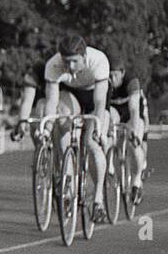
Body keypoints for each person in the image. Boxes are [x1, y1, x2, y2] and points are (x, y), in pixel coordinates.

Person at [31, 35, 113, 221]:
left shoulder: (98, 60)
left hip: (95, 95)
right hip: (72, 94)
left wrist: (98, 129)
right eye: (67, 62)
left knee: (92, 143)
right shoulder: (53, 64)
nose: (71, 67)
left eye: (75, 62)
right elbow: (52, 102)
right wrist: (46, 128)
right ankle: (67, 175)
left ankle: (98, 199)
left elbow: (100, 102)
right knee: (61, 116)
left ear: (84, 56)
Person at [106, 52, 149, 207]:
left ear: (122, 73)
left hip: (133, 110)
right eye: (108, 75)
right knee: (108, 123)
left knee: (135, 140)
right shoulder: (105, 82)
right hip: (115, 110)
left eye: (114, 75)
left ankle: (137, 180)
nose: (111, 79)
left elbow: (134, 111)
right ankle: (109, 166)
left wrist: (133, 130)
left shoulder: (131, 82)